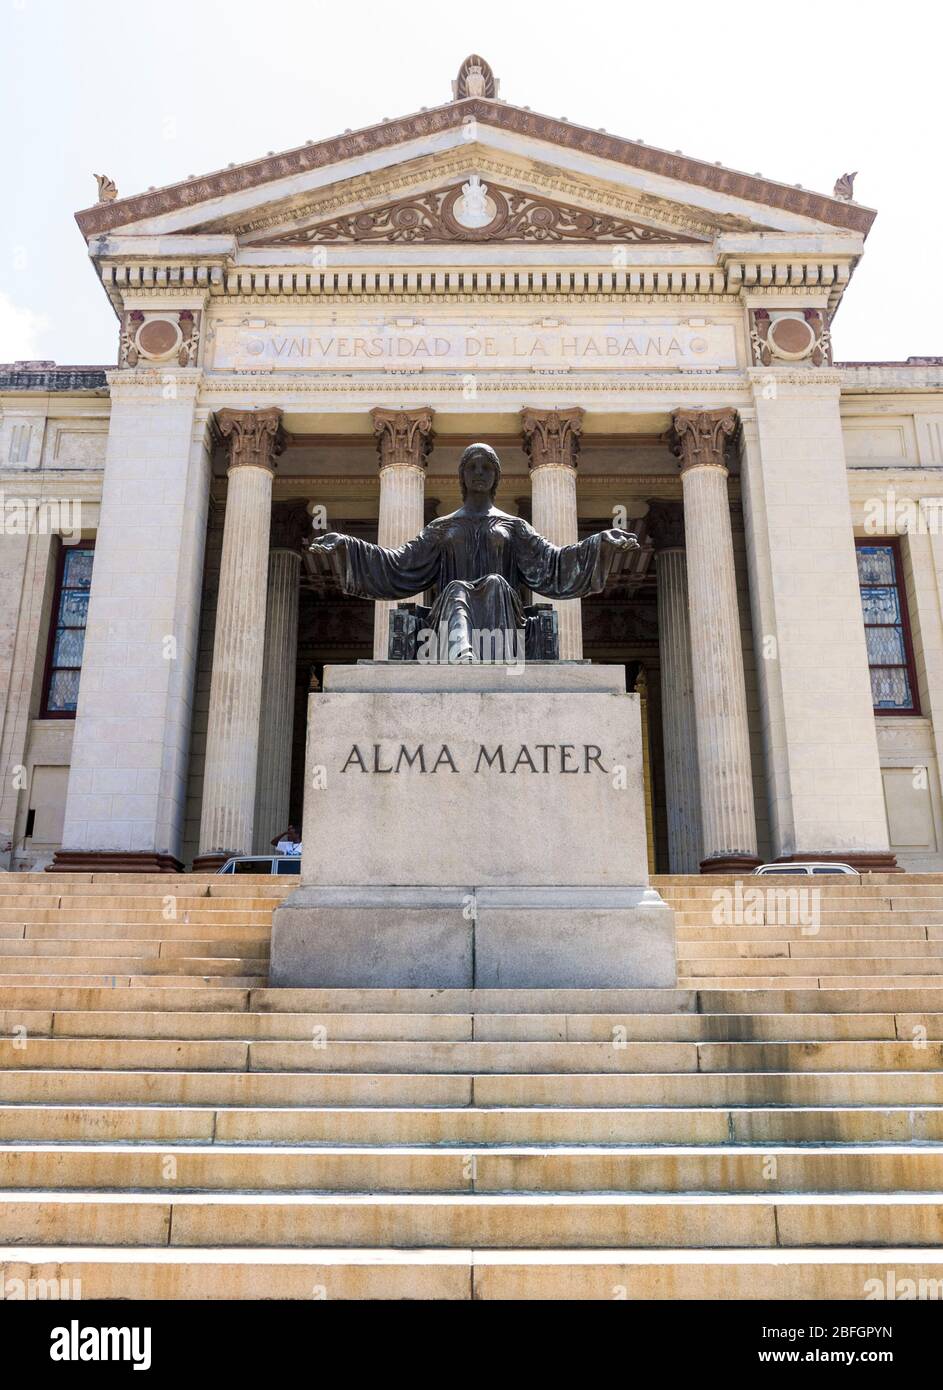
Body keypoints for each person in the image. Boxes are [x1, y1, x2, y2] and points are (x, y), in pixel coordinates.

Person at [310, 442, 637, 662]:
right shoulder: (441, 527)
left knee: (494, 582)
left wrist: (600, 543)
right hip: (444, 617)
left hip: (505, 620)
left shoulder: (514, 527)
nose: (479, 473)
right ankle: (460, 650)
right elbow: (399, 564)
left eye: (486, 468)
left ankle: (468, 651)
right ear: (462, 476)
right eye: (473, 467)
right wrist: (348, 546)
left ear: (496, 477)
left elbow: (553, 563)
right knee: (455, 590)